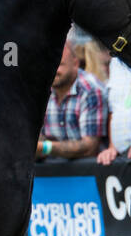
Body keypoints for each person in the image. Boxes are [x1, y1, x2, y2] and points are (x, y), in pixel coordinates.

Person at [37, 31, 107, 160]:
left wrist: (44, 147)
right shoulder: (42, 90)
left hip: (91, 174)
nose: (53, 71)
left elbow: (90, 148)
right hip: (54, 173)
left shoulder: (90, 89)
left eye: (60, 65)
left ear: (75, 63)